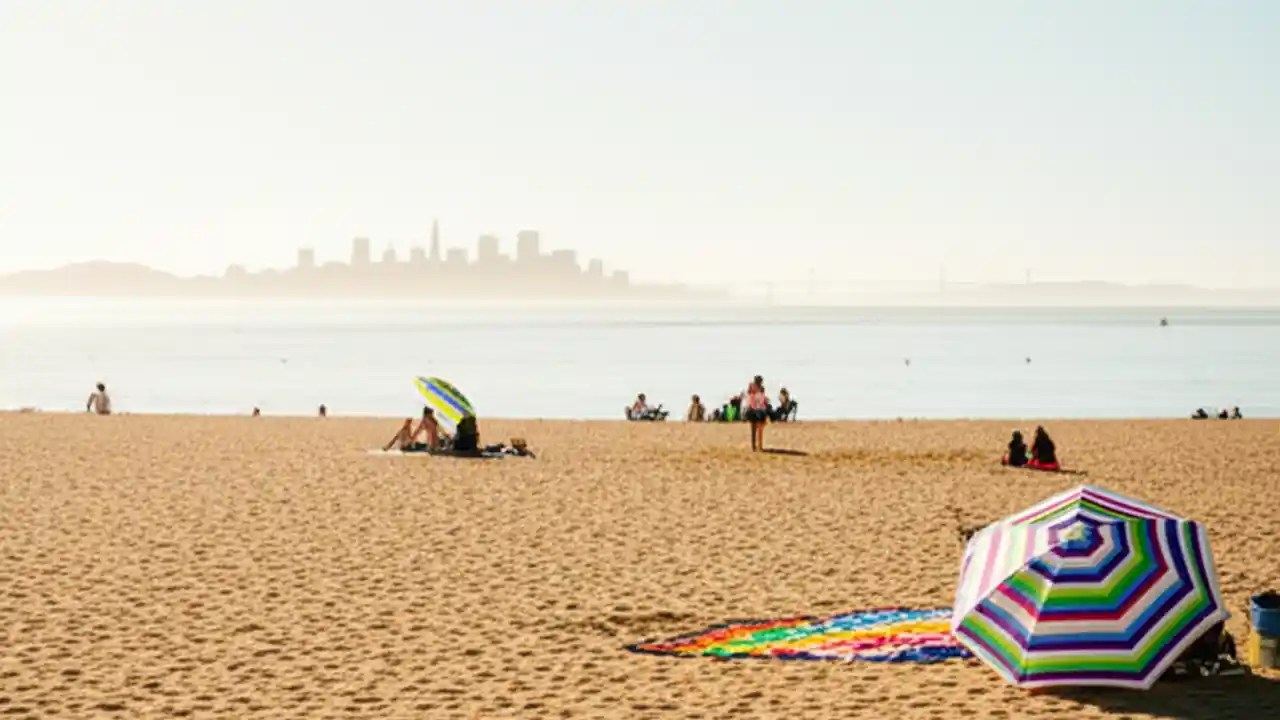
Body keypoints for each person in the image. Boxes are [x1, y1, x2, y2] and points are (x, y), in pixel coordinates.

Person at [744, 375, 769, 452]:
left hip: (753, 409)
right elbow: (761, 400)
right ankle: (758, 446)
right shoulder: (759, 388)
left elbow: (749, 398)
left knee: (754, 429)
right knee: (758, 430)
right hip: (758, 409)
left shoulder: (752, 387)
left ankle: (754, 446)